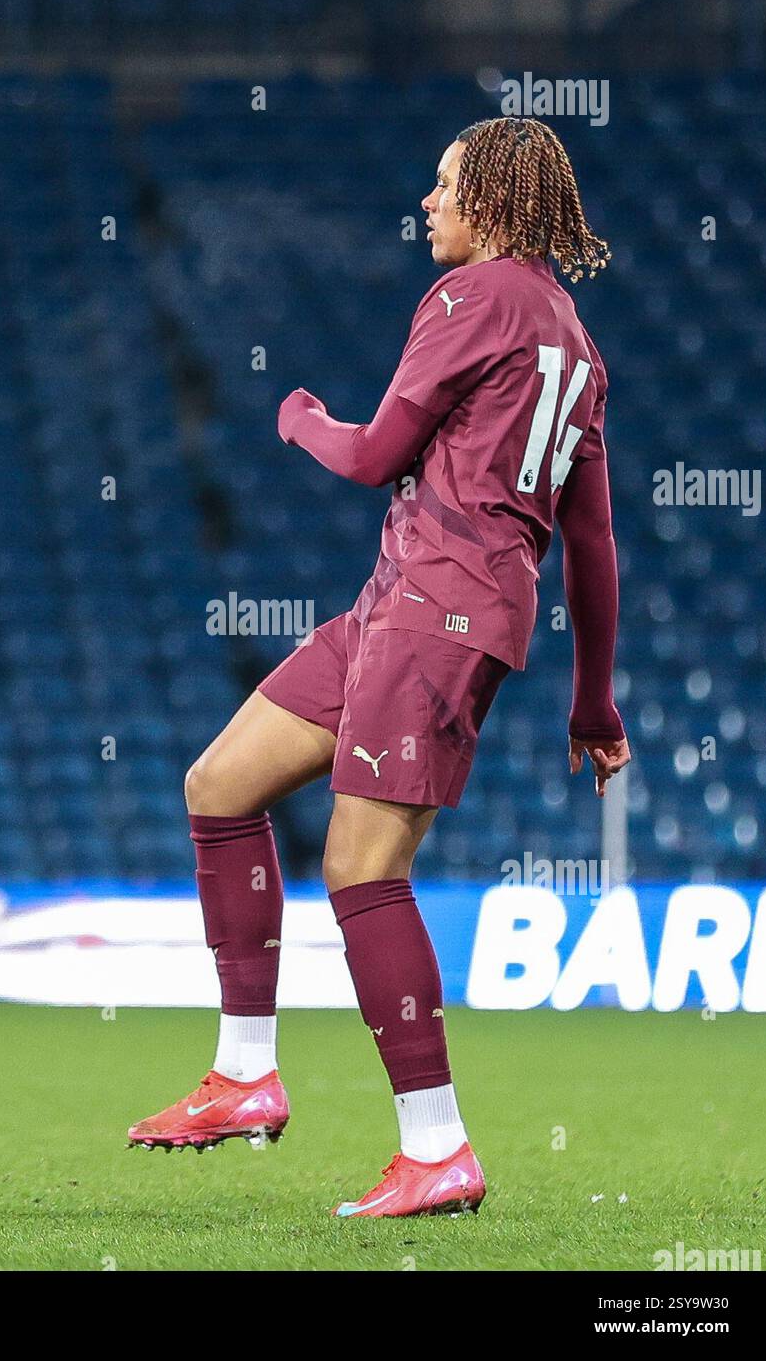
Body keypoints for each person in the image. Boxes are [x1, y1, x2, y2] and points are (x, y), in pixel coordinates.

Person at [127, 117, 631, 1219]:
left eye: (446, 184)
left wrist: (299, 417)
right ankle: (246, 1075)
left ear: (494, 200)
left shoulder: (472, 297)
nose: (427, 200)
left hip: (436, 613)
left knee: (360, 870)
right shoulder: (576, 346)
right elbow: (590, 546)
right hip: (405, 607)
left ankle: (436, 1146)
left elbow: (367, 457)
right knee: (219, 785)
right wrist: (593, 701)